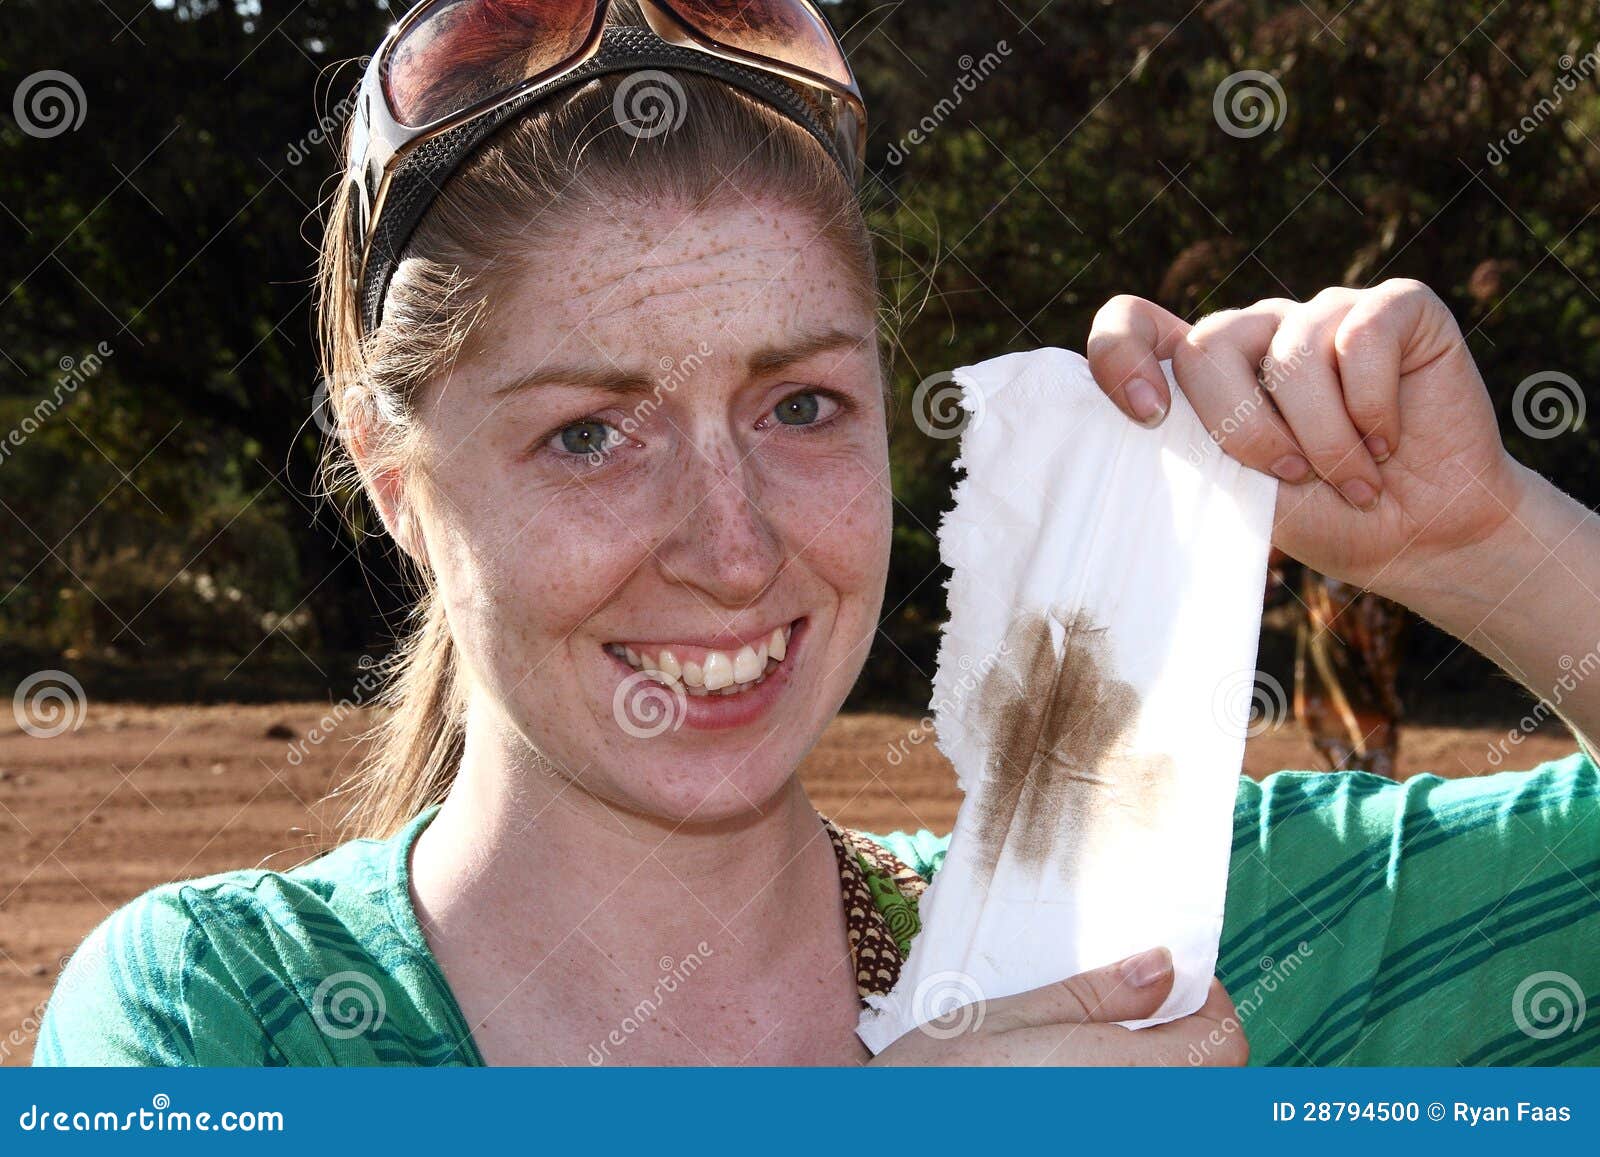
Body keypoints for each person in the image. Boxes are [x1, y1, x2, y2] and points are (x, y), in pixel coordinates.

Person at [34, 0, 1599, 1067]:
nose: (732, 548)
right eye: (590, 432)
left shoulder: (1163, 923)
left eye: (800, 408)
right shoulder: (225, 1017)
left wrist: (1481, 542)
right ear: (398, 481)